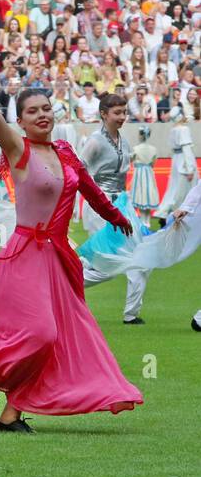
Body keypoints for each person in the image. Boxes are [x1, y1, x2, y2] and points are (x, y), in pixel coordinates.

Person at [0, 40, 143, 432]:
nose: (41, 115)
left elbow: (89, 189)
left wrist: (115, 216)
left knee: (63, 337)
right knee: (40, 332)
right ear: (20, 121)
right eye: (32, 111)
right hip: (26, 251)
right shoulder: (18, 150)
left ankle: (11, 413)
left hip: (58, 258)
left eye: (46, 109)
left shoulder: (66, 153)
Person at [80, 94, 151, 325]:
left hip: (122, 203)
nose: (122, 117)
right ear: (103, 114)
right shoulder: (94, 141)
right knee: (106, 266)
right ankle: (62, 286)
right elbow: (80, 173)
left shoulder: (124, 140)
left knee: (142, 260)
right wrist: (96, 202)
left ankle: (131, 314)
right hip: (100, 207)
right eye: (117, 113)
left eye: (124, 112)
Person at [154, 111, 196, 220]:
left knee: (173, 188)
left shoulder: (173, 129)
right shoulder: (183, 129)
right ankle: (177, 212)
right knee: (184, 191)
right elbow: (186, 148)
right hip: (184, 162)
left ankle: (166, 212)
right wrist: (190, 169)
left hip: (176, 161)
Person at [130, 128, 160, 221]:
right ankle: (146, 221)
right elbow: (153, 162)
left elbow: (130, 160)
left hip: (139, 174)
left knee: (140, 193)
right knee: (147, 194)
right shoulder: (153, 149)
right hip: (149, 173)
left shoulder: (136, 148)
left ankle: (143, 222)